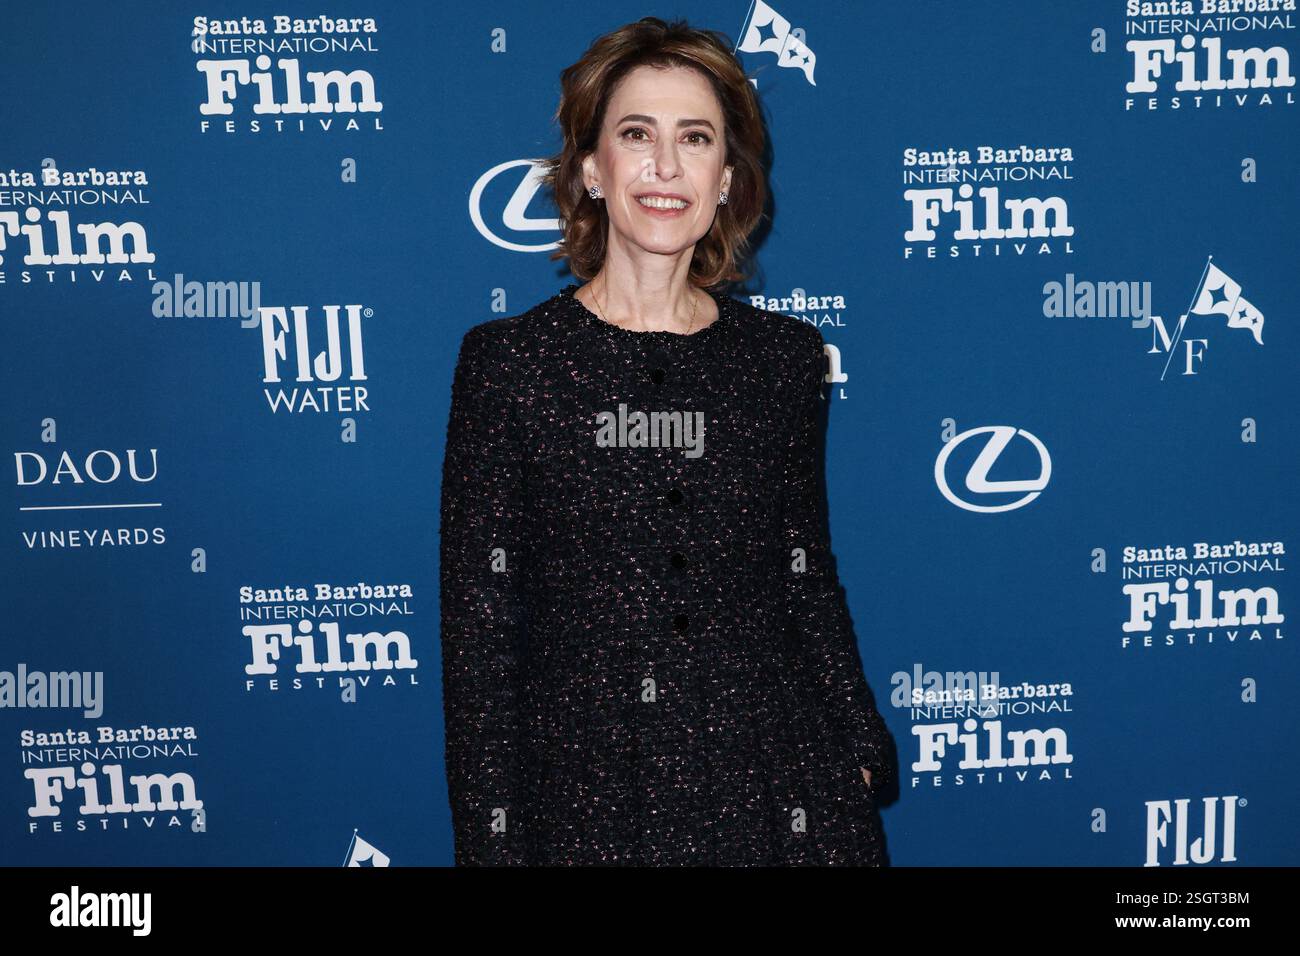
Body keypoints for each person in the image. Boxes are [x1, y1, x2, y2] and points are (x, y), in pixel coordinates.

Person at [440, 16, 894, 866]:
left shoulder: (784, 360)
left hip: (776, 784)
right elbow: (480, 635)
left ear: (727, 178)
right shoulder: (509, 365)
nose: (666, 167)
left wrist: (858, 747)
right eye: (636, 135)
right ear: (590, 169)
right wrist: (490, 842)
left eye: (696, 139)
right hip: (587, 795)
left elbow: (805, 570)